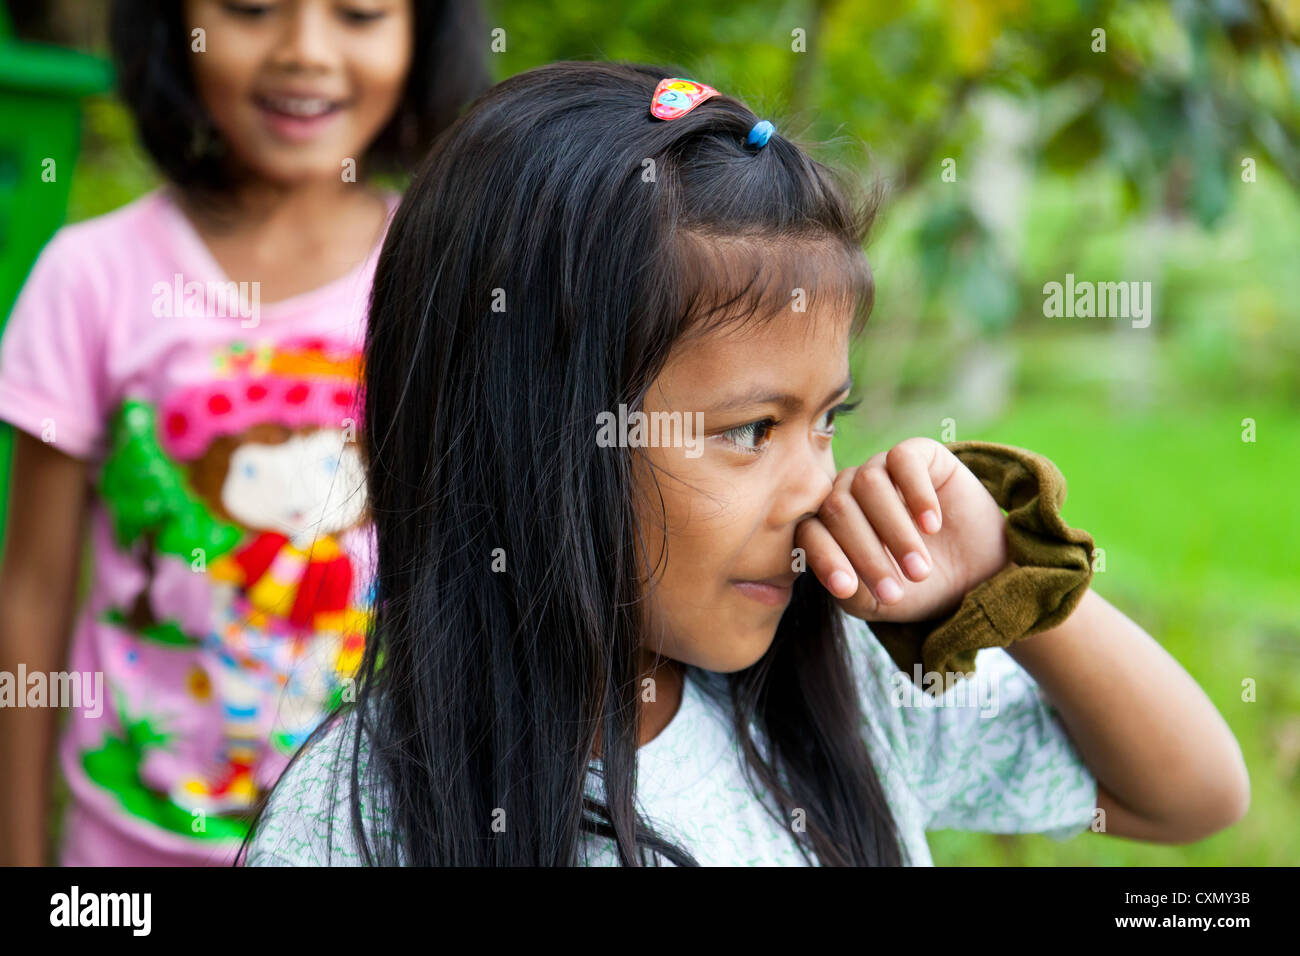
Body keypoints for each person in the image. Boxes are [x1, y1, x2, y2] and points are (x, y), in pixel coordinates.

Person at [242, 61, 1250, 866]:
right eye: (749, 429)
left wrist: (1009, 577)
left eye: (826, 420)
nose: (816, 485)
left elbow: (1189, 794)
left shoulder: (840, 690)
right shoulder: (358, 821)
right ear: (526, 433)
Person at [0, 0, 488, 866]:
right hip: (125, 856)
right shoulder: (91, 278)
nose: (304, 51)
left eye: (361, 14)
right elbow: (31, 596)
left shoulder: (454, 277)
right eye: (252, 9)